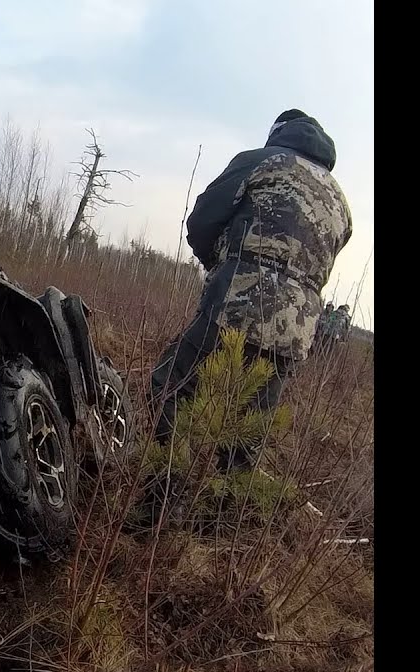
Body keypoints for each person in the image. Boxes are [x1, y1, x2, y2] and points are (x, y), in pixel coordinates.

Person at [145, 109, 353, 513]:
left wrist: (220, 268)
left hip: (235, 306)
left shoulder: (259, 160)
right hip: (295, 330)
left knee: (170, 385)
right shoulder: (341, 201)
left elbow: (202, 219)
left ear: (278, 134)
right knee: (250, 425)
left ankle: (162, 498)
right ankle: (221, 522)